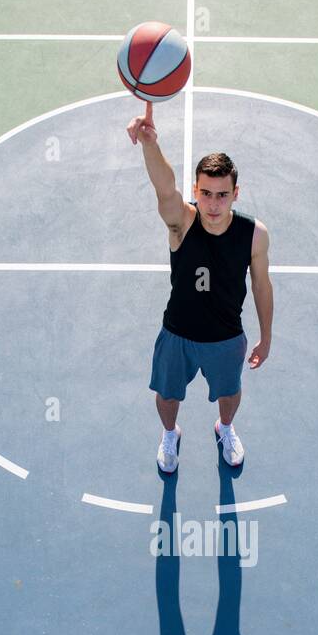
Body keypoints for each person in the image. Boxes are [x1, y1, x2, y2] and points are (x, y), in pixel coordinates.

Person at [127, 101, 272, 474]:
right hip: (178, 333)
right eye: (206, 193)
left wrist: (266, 336)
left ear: (236, 194)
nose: (213, 203)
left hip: (226, 336)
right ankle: (170, 434)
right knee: (167, 396)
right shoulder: (181, 222)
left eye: (222, 194)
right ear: (196, 190)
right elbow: (164, 188)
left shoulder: (253, 234)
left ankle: (224, 428)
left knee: (229, 392)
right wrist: (149, 144)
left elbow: (261, 285)